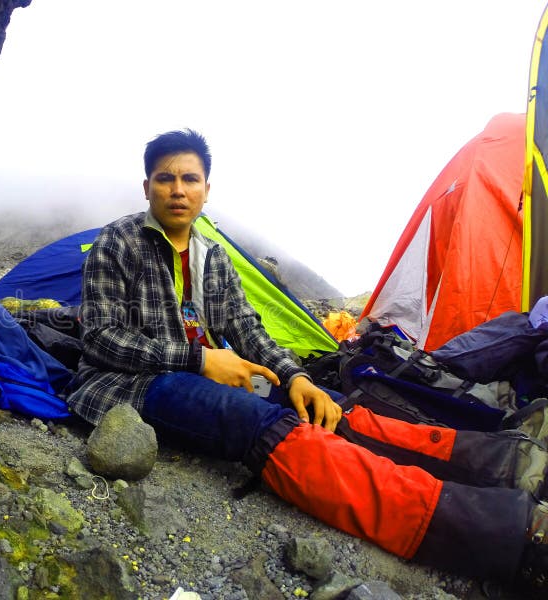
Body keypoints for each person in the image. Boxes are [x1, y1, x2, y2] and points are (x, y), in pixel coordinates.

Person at [66, 128, 548, 591]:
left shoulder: (212, 256)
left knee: (330, 406)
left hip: (200, 372)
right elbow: (102, 339)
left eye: (189, 179)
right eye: (165, 179)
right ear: (146, 186)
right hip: (130, 386)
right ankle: (509, 536)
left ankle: (507, 465)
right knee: (263, 422)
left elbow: (247, 329)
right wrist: (200, 362)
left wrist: (296, 376)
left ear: (206, 190)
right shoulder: (118, 242)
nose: (177, 190)